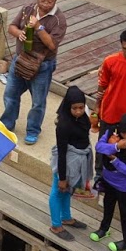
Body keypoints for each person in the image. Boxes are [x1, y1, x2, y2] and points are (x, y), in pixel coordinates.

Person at [1, 0, 68, 143]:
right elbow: (11, 26)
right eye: (42, 0)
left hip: (43, 65)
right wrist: (19, 34)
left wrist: (38, 27)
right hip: (20, 59)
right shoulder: (28, 9)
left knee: (38, 102)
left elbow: (52, 44)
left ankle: (32, 130)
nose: (45, 4)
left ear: (55, 0)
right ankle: (7, 123)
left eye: (49, 1)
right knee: (10, 94)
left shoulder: (59, 20)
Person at [92, 114, 126, 251]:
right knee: (108, 205)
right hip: (108, 179)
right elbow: (99, 146)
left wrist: (114, 160)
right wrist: (116, 146)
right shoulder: (111, 132)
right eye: (123, 132)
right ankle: (104, 228)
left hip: (122, 185)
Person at [49, 86, 93, 239]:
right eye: (75, 108)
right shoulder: (63, 125)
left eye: (81, 107)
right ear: (68, 106)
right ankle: (56, 225)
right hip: (66, 161)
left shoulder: (82, 118)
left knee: (69, 189)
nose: (79, 111)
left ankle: (66, 217)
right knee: (58, 190)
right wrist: (62, 177)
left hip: (78, 158)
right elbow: (62, 153)